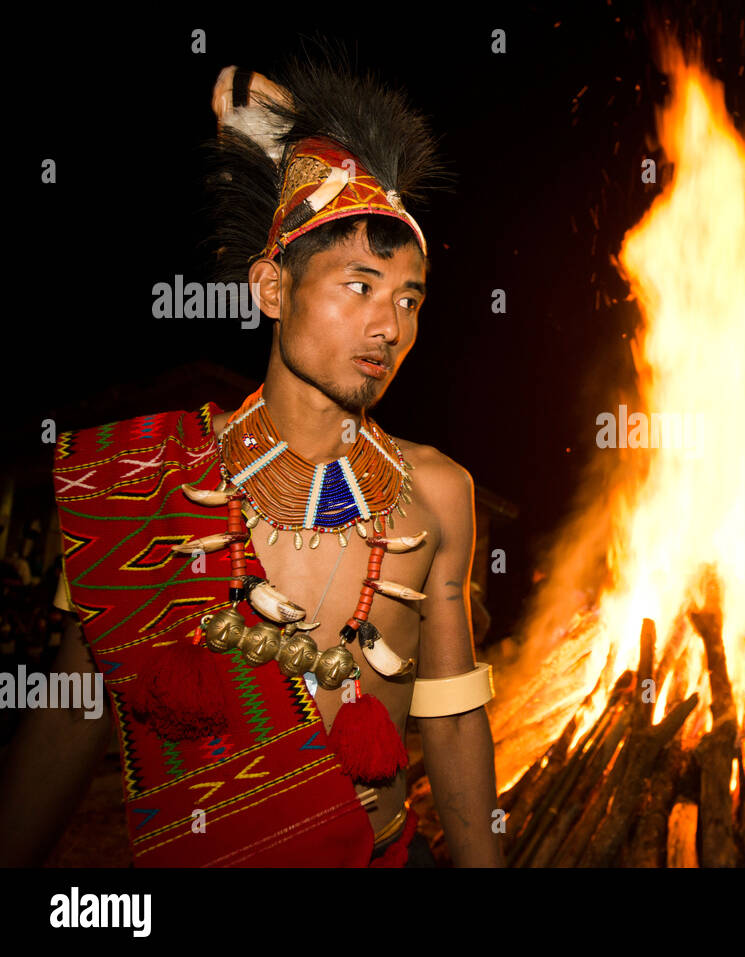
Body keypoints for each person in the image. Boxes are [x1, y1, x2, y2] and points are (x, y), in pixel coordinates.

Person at [0, 55, 503, 867]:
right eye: (361, 285)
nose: (390, 327)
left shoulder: (436, 492)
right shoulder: (148, 482)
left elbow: (448, 716)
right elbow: (70, 710)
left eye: (410, 298)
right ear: (271, 289)